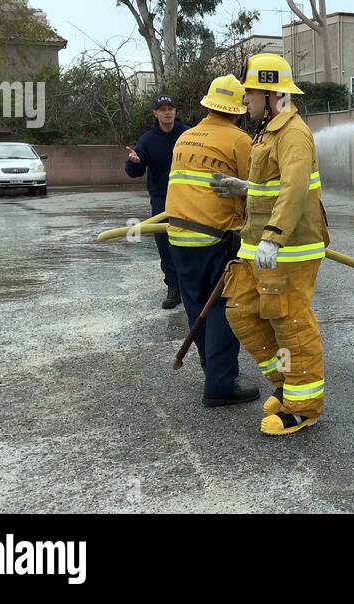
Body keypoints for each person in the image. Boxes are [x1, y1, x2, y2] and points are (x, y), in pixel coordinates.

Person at [211, 53, 329, 436]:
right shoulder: (268, 129)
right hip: (257, 244)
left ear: (270, 93)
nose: (245, 100)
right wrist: (243, 188)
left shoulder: (293, 133)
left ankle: (303, 406)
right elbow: (274, 185)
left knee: (291, 321)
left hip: (288, 248)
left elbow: (295, 189)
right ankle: (287, 382)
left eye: (250, 93)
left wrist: (274, 238)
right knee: (241, 311)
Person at [164, 75, 258, 407]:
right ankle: (220, 384)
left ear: (208, 105)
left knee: (196, 305)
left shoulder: (185, 138)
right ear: (238, 109)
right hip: (216, 236)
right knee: (222, 306)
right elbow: (255, 189)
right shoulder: (239, 140)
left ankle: (212, 370)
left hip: (178, 234)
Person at [126, 95, 188, 309]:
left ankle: (190, 285)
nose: (167, 112)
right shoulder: (147, 140)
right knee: (164, 243)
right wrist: (134, 162)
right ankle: (173, 287)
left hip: (189, 197)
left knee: (190, 241)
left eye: (170, 108)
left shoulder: (188, 135)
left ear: (175, 111)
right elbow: (135, 171)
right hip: (161, 198)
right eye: (162, 109)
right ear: (155, 113)